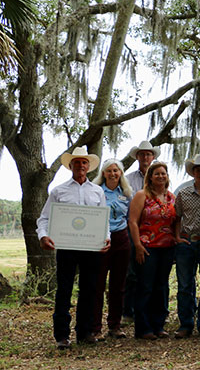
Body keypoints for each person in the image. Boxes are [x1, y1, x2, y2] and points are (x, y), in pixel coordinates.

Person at [37, 147, 109, 349]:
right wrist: (43, 236)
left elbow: (103, 221)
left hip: (91, 248)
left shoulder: (97, 191)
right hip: (67, 247)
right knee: (64, 290)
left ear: (88, 166)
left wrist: (106, 238)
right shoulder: (58, 191)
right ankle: (62, 336)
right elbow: (44, 219)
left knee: (89, 290)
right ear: (71, 166)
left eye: (84, 162)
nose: (80, 166)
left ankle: (85, 332)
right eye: (76, 162)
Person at [128, 162, 177, 340]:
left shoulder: (172, 198)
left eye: (163, 174)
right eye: (156, 174)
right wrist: (138, 245)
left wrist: (177, 238)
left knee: (161, 287)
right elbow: (133, 221)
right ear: (150, 177)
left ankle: (159, 325)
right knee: (145, 286)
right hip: (147, 248)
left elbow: (176, 221)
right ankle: (143, 327)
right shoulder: (142, 195)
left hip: (167, 248)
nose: (160, 176)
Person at [173, 154, 200, 338]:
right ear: (193, 173)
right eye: (197, 170)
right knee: (184, 285)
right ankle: (185, 324)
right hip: (186, 241)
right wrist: (177, 237)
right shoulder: (183, 194)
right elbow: (176, 218)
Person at [91, 158, 133, 339]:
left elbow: (132, 218)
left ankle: (115, 326)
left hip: (121, 239)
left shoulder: (127, 193)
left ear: (121, 173)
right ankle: (95, 327)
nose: (113, 174)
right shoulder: (96, 191)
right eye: (109, 170)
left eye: (116, 170)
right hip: (100, 239)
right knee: (98, 284)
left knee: (118, 285)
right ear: (103, 173)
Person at [123, 140, 160, 323]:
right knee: (131, 272)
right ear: (137, 157)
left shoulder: (159, 178)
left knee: (153, 273)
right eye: (142, 154)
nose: (145, 157)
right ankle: (128, 312)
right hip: (133, 228)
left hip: (155, 232)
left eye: (148, 154)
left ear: (153, 157)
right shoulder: (128, 179)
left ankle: (154, 311)